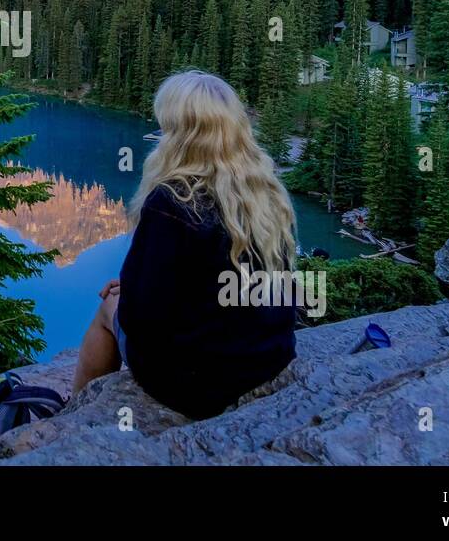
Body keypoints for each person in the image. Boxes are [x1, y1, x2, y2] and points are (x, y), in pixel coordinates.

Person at [71, 70, 299, 419]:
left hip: (199, 387)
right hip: (269, 361)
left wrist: (128, 295)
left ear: (181, 135)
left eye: (165, 126)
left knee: (108, 309)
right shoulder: (265, 193)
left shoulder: (172, 202)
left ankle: (74, 414)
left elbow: (141, 321)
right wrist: (136, 287)